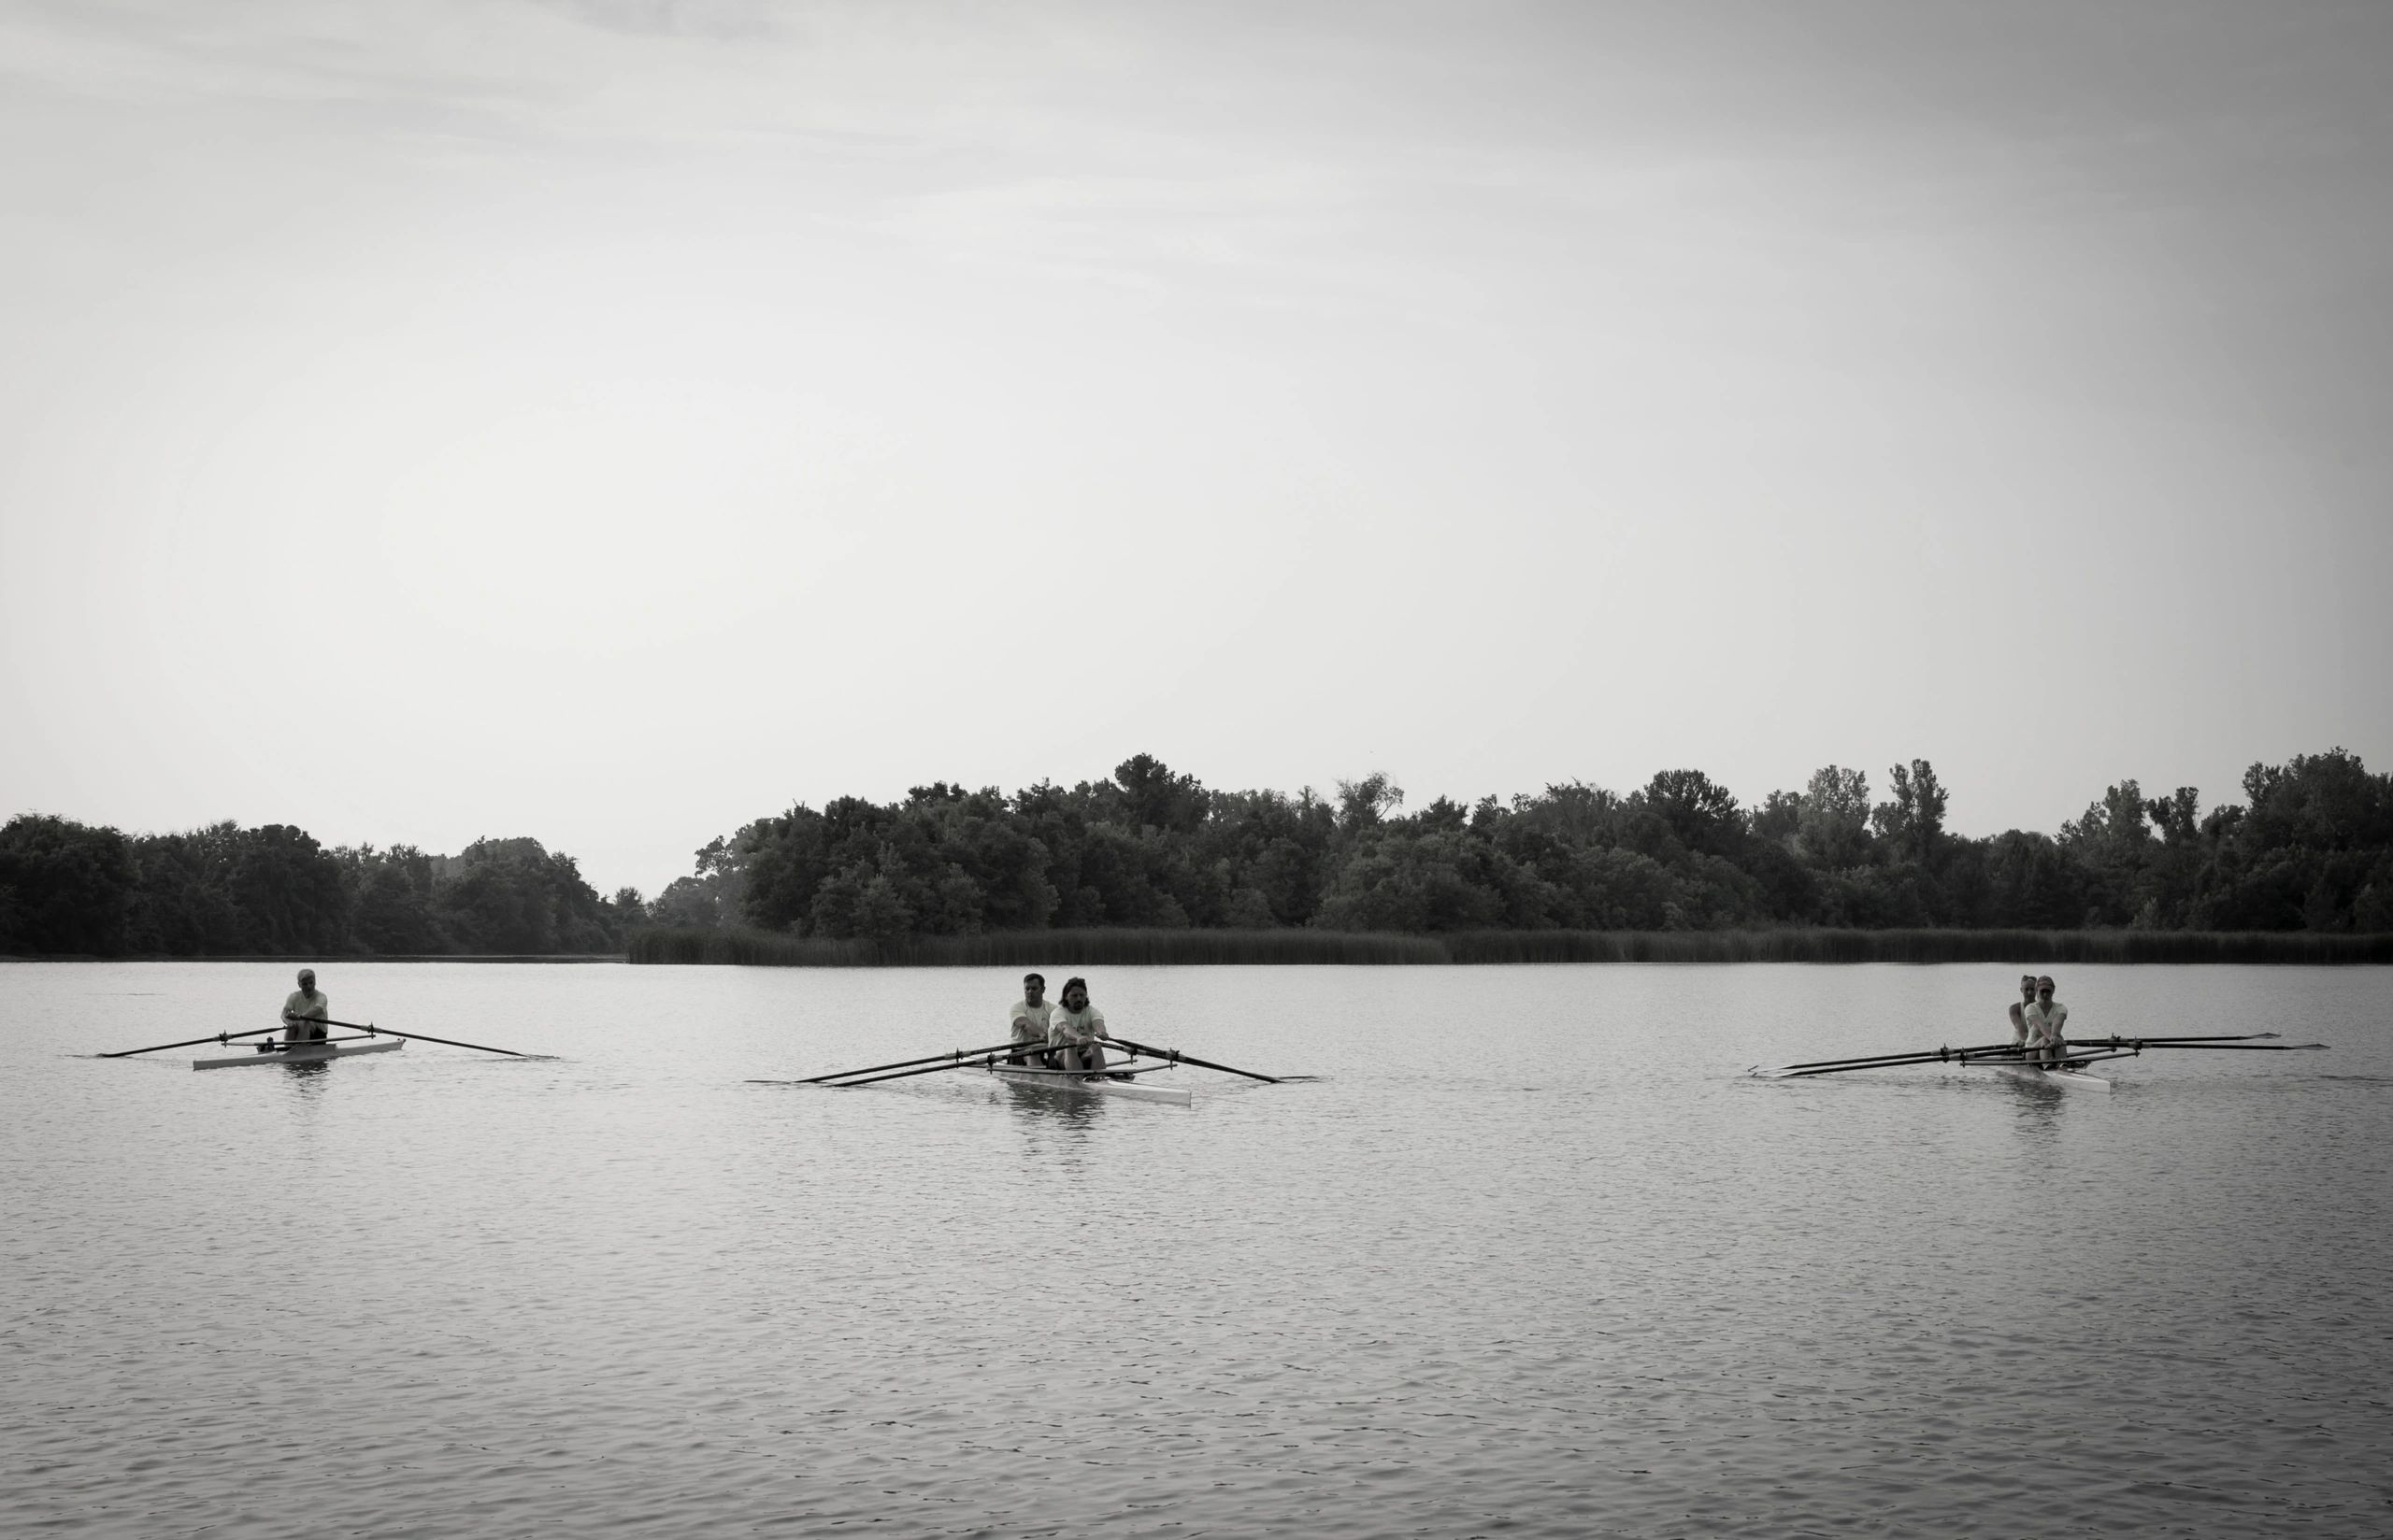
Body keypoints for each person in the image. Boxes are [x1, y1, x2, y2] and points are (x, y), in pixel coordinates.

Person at [1046, 977, 1112, 1076]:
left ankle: (1099, 1079)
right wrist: (1078, 1037)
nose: (1079, 998)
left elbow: (1098, 1023)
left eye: (1082, 995)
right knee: (1070, 1046)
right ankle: (1079, 1080)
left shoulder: (1092, 1011)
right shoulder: (1058, 1013)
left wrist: (1101, 1032)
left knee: (1096, 1047)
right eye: (1074, 995)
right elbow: (1065, 1028)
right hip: (1057, 1058)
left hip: (1083, 1054)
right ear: (1066, 997)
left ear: (1086, 996)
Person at [1008, 973, 1056, 1067]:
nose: (1030, 992)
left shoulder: (1053, 1009)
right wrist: (1041, 1034)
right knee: (1032, 1054)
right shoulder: (1017, 1008)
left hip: (1046, 1050)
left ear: (1043, 989)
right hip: (1020, 1051)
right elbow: (1026, 1024)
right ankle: (1039, 1074)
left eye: (1034, 989)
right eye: (1027, 989)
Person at [2023, 975, 2069, 1066]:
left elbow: (2058, 1022)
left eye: (2048, 991)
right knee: (2044, 1040)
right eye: (2042, 991)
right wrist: (2052, 1038)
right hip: (2031, 1051)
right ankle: (2048, 1066)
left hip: (2052, 1047)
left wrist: (2055, 1035)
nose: (2045, 994)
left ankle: (2063, 1066)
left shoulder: (2061, 1007)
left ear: (2053, 990)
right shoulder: (2030, 1008)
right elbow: (2041, 1026)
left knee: (2059, 1038)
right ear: (2037, 990)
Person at [281, 968, 330, 1046]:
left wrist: (300, 1017)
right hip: (300, 1031)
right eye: (305, 984)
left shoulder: (321, 997)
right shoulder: (294, 996)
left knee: (305, 1021)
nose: (309, 986)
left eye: (311, 982)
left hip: (318, 1036)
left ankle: (298, 1048)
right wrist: (288, 1022)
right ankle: (287, 1049)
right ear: (299, 984)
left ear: (315, 982)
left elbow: (317, 1010)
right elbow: (284, 1014)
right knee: (292, 1025)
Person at [2007, 974, 2039, 1049]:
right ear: (2021, 990)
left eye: (2032, 989)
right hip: (2019, 1044)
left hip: (2038, 1042)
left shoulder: (2041, 1007)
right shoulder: (2014, 1009)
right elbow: (2021, 1033)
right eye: (2026, 989)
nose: (2029, 992)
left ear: (2037, 990)